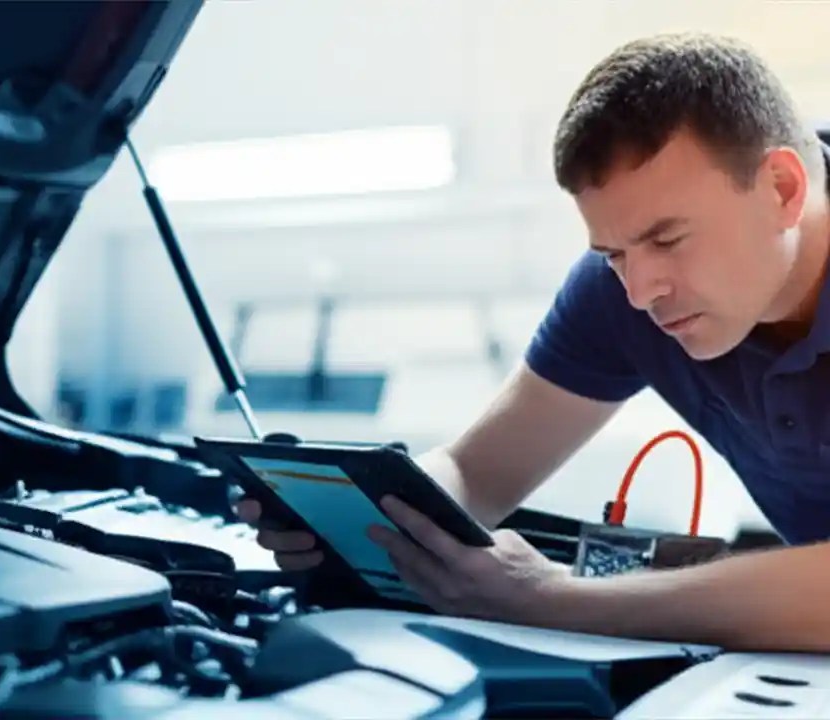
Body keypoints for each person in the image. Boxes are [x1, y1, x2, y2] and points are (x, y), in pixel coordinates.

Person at [234, 32, 830, 652]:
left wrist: (553, 599)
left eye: (668, 240)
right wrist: (356, 519)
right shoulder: (619, 290)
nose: (639, 292)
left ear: (782, 189)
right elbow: (475, 473)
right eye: (614, 253)